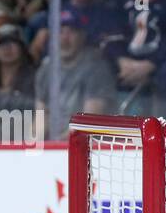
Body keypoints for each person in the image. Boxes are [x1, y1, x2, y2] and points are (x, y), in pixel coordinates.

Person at [35, 8, 116, 140]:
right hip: (54, 146)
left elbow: (88, 124)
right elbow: (40, 118)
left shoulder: (97, 68)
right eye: (60, 32)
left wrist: (55, 144)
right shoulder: (46, 68)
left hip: (88, 148)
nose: (64, 39)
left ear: (83, 35)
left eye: (71, 32)